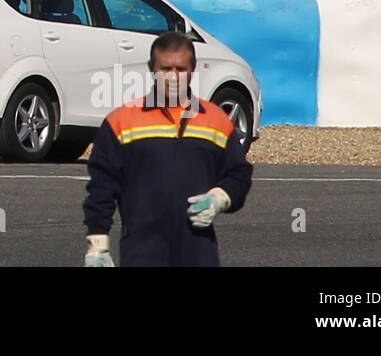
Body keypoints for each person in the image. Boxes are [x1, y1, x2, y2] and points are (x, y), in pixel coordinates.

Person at [82, 30, 253, 266]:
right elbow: (102, 186)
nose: (173, 77)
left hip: (198, 252)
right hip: (142, 252)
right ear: (152, 69)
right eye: (165, 69)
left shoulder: (216, 120)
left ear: (193, 70)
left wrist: (219, 198)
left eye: (181, 69)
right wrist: (97, 245)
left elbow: (239, 174)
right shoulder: (121, 121)